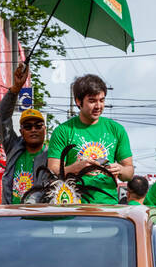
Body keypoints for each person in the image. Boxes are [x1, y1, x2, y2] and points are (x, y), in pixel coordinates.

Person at [46, 75, 133, 205]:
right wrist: (74, 168)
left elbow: (129, 172)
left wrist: (120, 169)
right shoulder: (63, 131)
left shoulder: (117, 130)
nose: (98, 106)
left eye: (102, 100)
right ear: (78, 101)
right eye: (92, 101)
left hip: (108, 205)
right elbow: (52, 171)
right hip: (73, 205)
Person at [0, 64, 49, 204]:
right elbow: (2, 117)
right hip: (12, 219)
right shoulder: (13, 148)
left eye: (38, 126)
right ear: (21, 132)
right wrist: (16, 89)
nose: (33, 129)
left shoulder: (51, 157)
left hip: (39, 219)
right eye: (28, 126)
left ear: (45, 129)